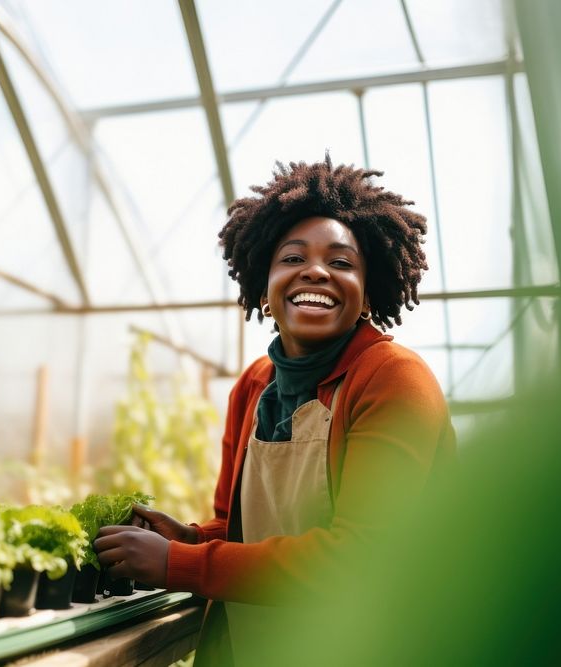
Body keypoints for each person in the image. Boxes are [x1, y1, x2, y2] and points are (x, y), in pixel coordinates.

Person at [93, 155, 457, 664]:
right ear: (263, 287)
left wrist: (180, 563)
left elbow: (359, 558)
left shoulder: (393, 378)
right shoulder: (254, 387)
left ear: (368, 294)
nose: (315, 270)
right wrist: (192, 537)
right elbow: (241, 527)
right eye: (292, 258)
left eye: (341, 262)